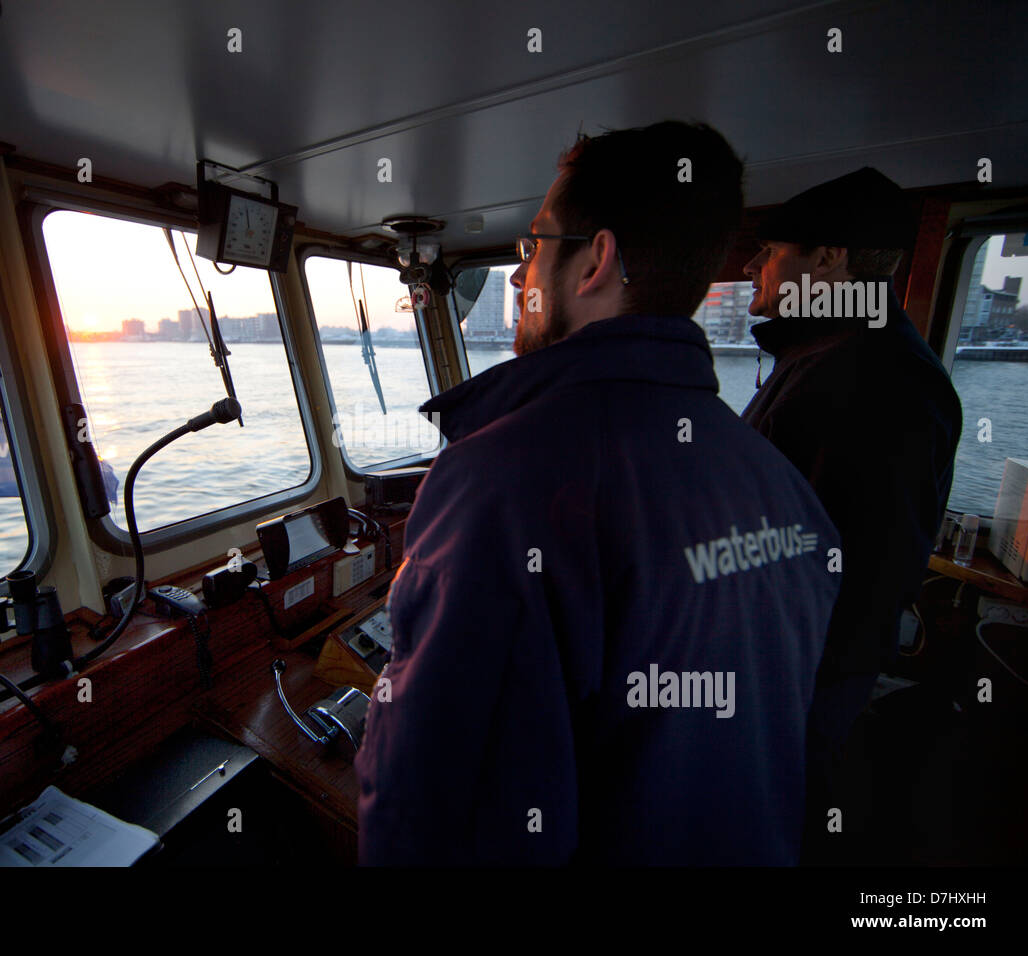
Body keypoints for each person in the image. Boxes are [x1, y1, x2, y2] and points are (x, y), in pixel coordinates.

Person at [355, 121, 841, 865]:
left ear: (596, 262)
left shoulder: (502, 483)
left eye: (536, 245)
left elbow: (433, 804)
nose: (520, 279)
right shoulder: (778, 483)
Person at [741, 167, 963, 859]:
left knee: (777, 816)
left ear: (830, 258)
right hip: (792, 661)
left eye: (770, 249)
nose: (751, 265)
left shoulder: (877, 375)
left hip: (800, 673)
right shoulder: (828, 353)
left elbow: (865, 567)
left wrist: (764, 673)